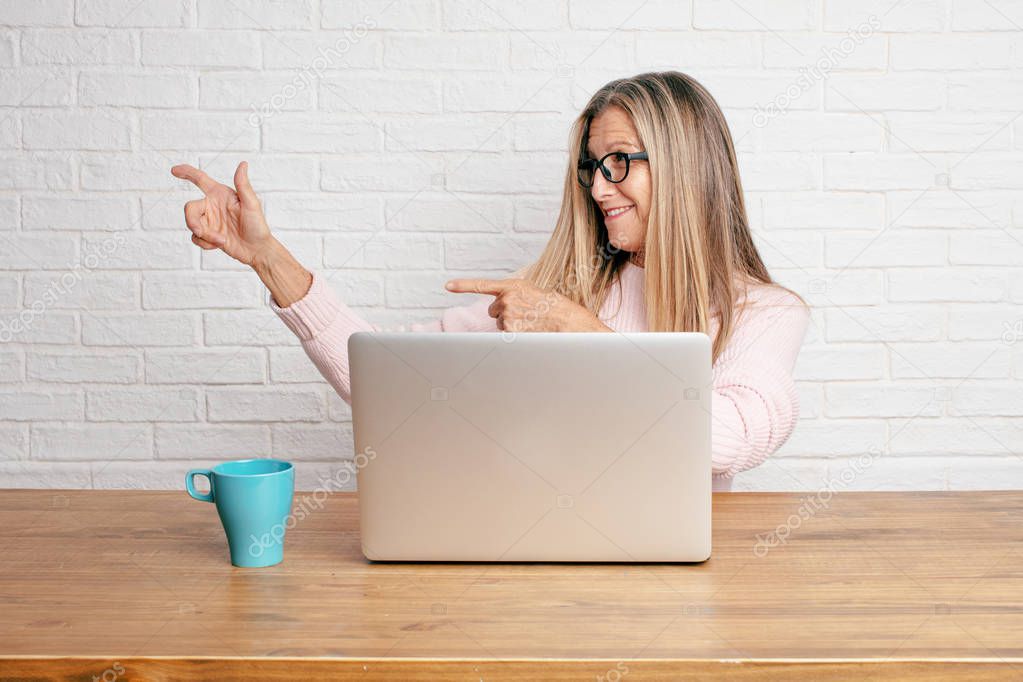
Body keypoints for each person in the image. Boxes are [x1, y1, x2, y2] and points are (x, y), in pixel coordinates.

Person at [170, 70, 810, 491]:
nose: (596, 186)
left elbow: (733, 437)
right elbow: (385, 379)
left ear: (686, 167)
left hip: (674, 580)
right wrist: (267, 258)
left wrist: (586, 337)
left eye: (618, 162)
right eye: (591, 167)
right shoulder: (550, 294)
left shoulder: (762, 311)